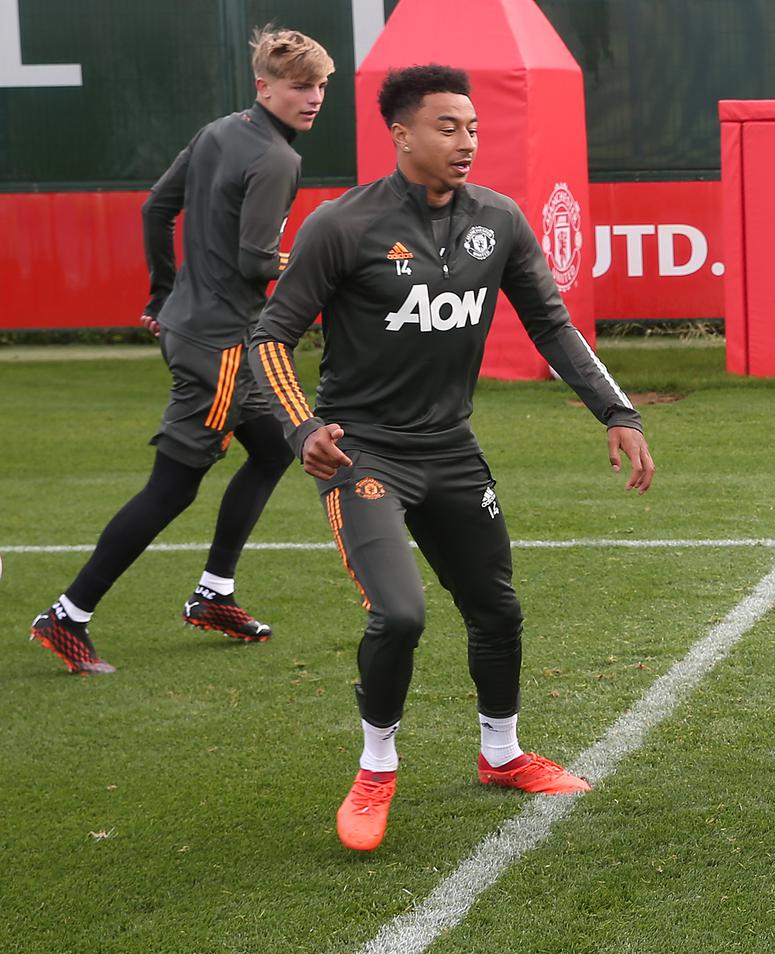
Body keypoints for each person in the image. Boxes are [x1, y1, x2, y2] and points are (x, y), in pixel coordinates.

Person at [245, 65, 656, 852]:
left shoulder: (497, 220)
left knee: (496, 610)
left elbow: (553, 325)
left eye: (471, 127)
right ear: (400, 133)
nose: (465, 141)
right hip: (361, 453)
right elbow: (269, 338)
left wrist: (616, 410)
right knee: (399, 614)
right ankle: (375, 767)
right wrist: (304, 429)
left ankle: (500, 756)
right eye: (446, 127)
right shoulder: (340, 225)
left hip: (452, 452)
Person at [30, 27, 333, 674]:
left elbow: (153, 210)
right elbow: (257, 262)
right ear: (265, 87)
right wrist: (314, 266)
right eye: (301, 86)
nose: (314, 97)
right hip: (221, 346)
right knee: (171, 488)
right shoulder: (278, 159)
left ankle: (213, 592)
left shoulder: (218, 131)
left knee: (277, 446)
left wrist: (162, 295)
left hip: (202, 333)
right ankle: (68, 613)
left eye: (321, 85)